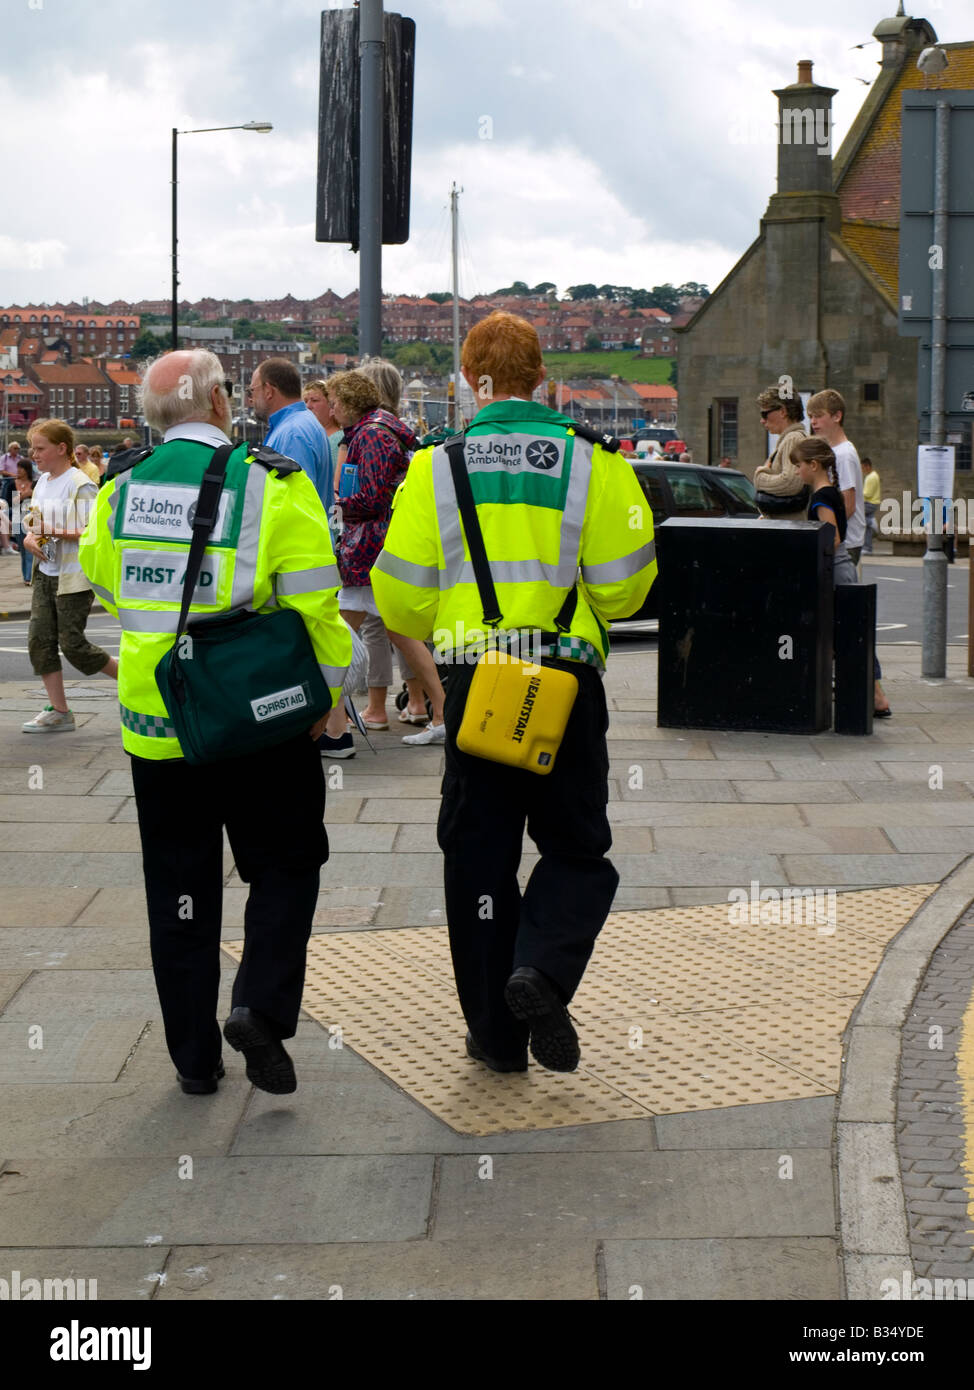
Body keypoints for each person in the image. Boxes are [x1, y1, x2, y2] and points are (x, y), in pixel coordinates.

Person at [372, 311, 656, 1074]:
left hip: (476, 686)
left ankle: (497, 1040)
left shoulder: (435, 466)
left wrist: (458, 622)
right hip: (564, 683)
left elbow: (397, 599)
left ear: (471, 381)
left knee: (478, 860)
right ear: (544, 378)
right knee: (577, 849)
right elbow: (628, 591)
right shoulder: (597, 463)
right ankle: (542, 970)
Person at [78, 348, 351, 1097]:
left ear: (151, 416)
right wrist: (325, 699)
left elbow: (103, 577)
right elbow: (315, 605)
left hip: (158, 728)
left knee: (179, 892)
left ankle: (194, 1060)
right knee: (287, 865)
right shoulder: (269, 485)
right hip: (256, 722)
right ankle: (259, 1006)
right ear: (225, 404)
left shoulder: (120, 487)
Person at [21, 419, 118, 732]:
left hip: (73, 576)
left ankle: (136, 681)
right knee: (39, 641)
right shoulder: (44, 482)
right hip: (46, 571)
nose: (33, 454)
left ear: (61, 449)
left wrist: (54, 531)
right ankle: (60, 711)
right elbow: (34, 522)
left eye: (39, 448)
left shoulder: (80, 483)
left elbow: (95, 530)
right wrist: (29, 537)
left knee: (73, 644)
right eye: (31, 448)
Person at [794, 437, 891, 717]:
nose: (798, 471)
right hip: (842, 567)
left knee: (847, 634)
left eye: (799, 465)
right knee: (848, 632)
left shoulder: (822, 496)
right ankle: (870, 694)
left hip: (835, 569)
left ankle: (875, 696)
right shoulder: (833, 491)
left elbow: (832, 537)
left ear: (813, 465)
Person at [250, 357, 330, 509]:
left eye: (252, 391)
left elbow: (296, 503)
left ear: (268, 391)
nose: (250, 399)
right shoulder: (303, 423)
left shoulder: (293, 434)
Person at [806, 389, 865, 566]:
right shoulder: (835, 452)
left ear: (837, 416)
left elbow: (848, 504)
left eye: (818, 416)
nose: (813, 422)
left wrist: (827, 533)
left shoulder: (844, 454)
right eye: (810, 416)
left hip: (845, 542)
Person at [753, 386, 807, 517]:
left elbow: (790, 482)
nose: (762, 420)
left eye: (765, 414)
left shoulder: (793, 438)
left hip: (790, 528)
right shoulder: (792, 438)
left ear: (783, 411)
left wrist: (760, 477)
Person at [12, 458, 36, 584]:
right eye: (18, 468)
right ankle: (26, 575)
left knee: (30, 548)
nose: (19, 470)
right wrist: (24, 495)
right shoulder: (11, 484)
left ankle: (29, 577)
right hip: (17, 518)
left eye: (21, 468)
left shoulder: (35, 483)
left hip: (31, 518)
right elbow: (7, 503)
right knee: (22, 549)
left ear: (27, 470)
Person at [861, 458, 880, 555]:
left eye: (863, 467)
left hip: (869, 503)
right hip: (873, 503)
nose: (862, 470)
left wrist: (858, 495)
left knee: (858, 516)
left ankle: (871, 522)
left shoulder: (871, 477)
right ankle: (867, 548)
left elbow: (867, 494)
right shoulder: (872, 476)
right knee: (866, 527)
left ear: (867, 466)